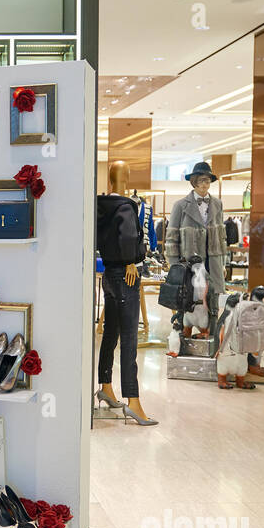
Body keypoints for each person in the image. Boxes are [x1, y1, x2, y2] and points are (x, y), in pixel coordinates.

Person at [166, 160, 264, 379]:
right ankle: (184, 346)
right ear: (193, 182)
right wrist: (174, 266)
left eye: (207, 181)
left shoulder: (217, 204)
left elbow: (221, 237)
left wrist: (222, 263)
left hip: (212, 262)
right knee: (188, 302)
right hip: (188, 264)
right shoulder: (180, 206)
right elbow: (171, 237)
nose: (205, 185)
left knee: (214, 301)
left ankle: (215, 349)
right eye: (201, 181)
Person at [96, 172, 157, 425]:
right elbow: (129, 236)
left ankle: (106, 387)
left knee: (110, 332)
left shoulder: (101, 206)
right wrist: (131, 260)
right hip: (126, 273)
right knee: (129, 338)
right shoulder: (126, 206)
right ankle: (133, 402)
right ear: (125, 178)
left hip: (108, 273)